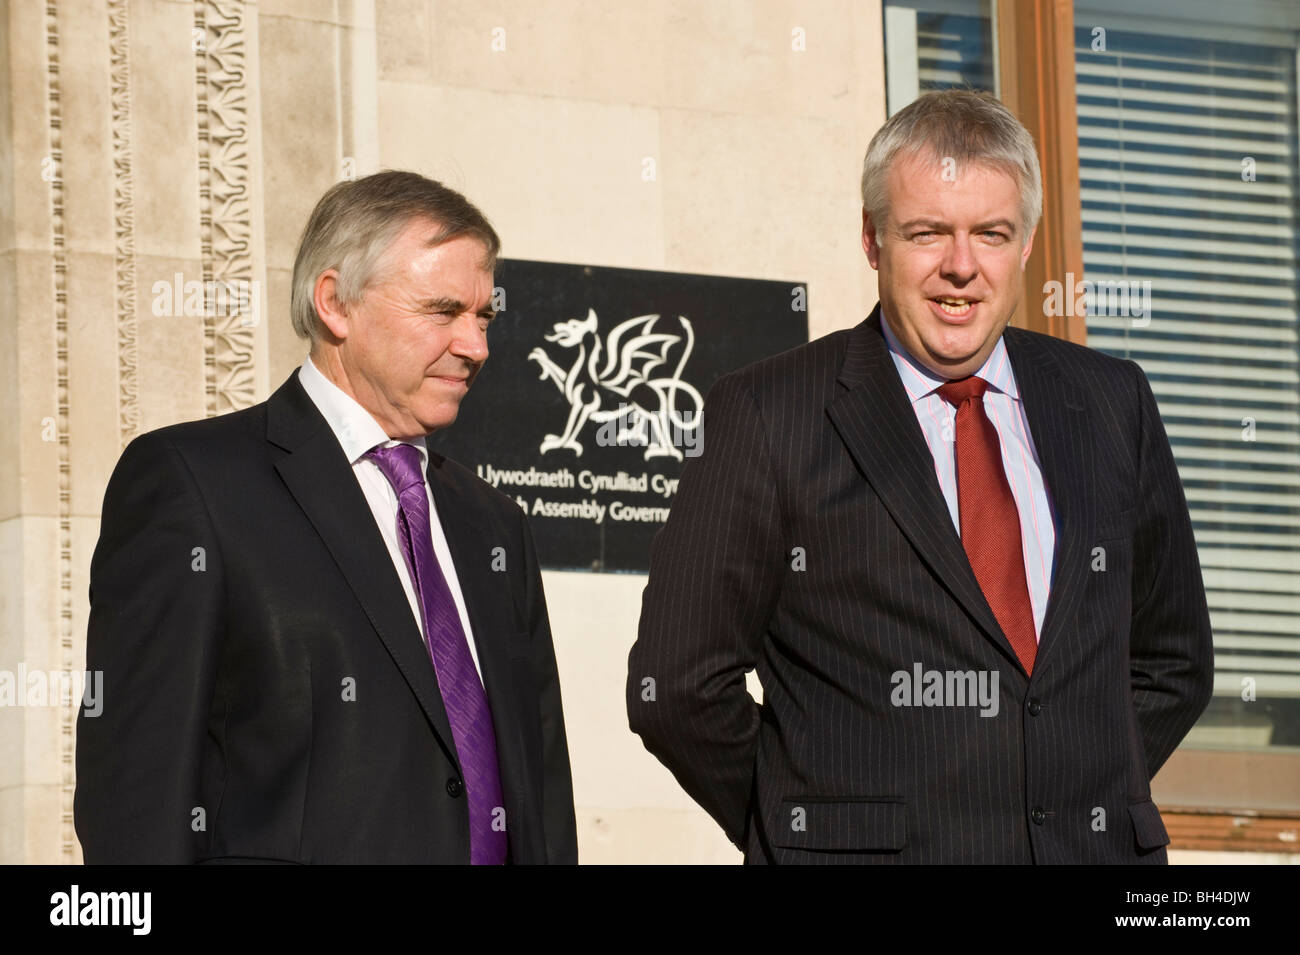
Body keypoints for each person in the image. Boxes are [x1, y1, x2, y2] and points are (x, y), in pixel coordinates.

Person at [626, 90, 1214, 864]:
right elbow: (677, 686)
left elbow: (1173, 661)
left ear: (1028, 242)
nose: (961, 267)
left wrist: (1074, 788)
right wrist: (808, 825)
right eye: (928, 232)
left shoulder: (1112, 401)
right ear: (873, 240)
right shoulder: (767, 415)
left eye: (991, 234)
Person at [76, 170, 577, 864]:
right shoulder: (193, 486)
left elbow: (541, 788)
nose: (476, 345)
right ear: (336, 304)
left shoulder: (495, 525)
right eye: (443, 310)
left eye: (483, 316)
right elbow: (138, 799)